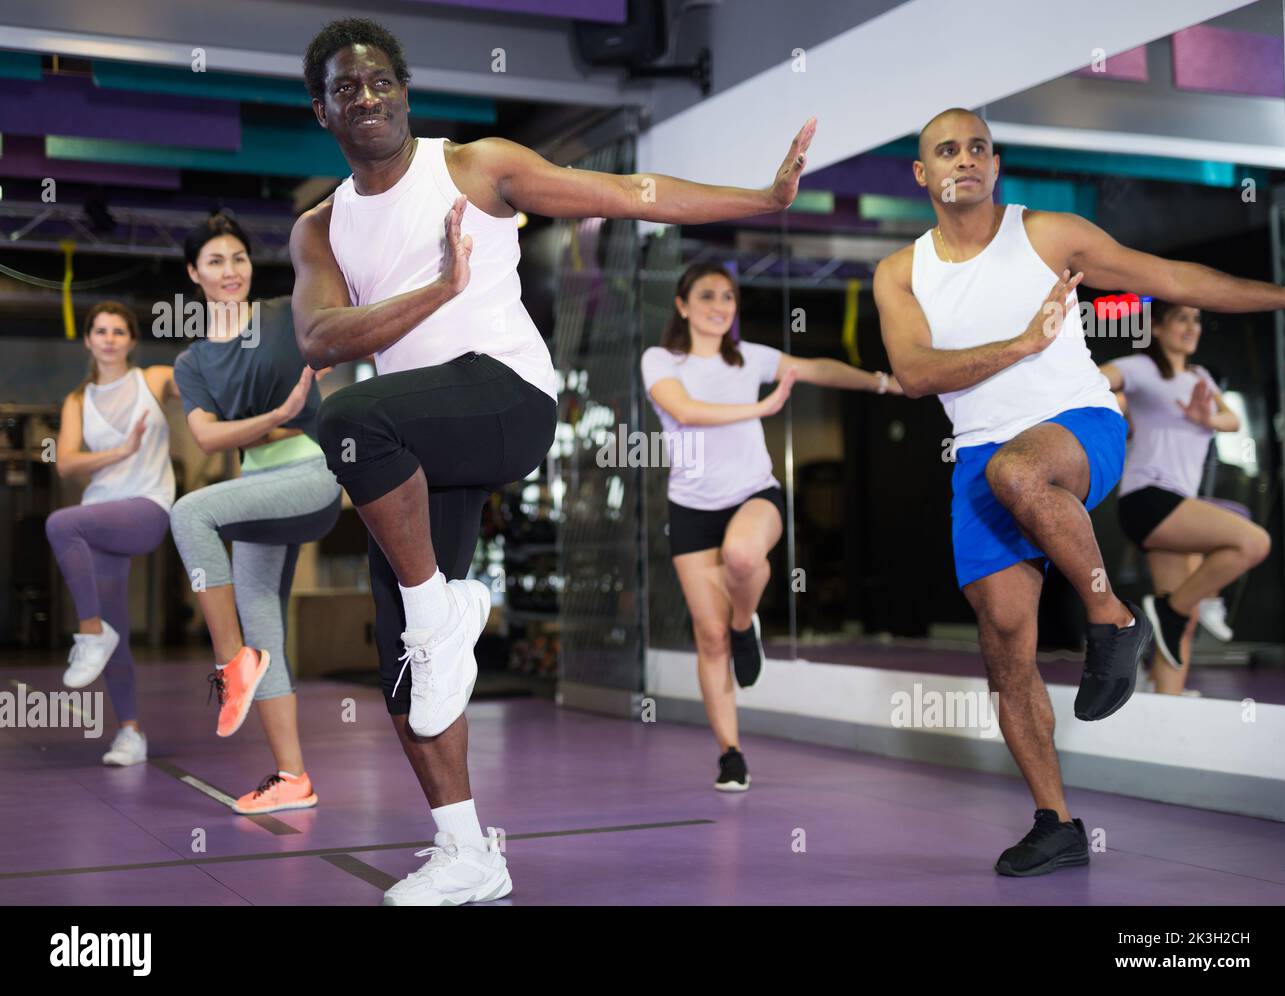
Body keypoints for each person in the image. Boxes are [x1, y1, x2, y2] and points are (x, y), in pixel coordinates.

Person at [290, 16, 815, 904]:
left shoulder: (475, 166)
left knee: (349, 422)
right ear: (322, 113)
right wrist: (437, 289)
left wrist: (760, 200)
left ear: (405, 92)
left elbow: (628, 191)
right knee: (406, 670)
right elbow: (317, 335)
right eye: (347, 88)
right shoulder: (321, 229)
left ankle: (438, 611)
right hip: (417, 437)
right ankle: (467, 852)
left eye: (380, 80)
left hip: (505, 399)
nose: (367, 96)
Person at [874, 107, 1285, 877]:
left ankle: (1114, 617)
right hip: (975, 452)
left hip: (1075, 425)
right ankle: (1057, 822)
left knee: (1020, 471)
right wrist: (1022, 343)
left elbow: (1172, 278)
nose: (964, 159)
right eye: (946, 151)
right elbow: (917, 373)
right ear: (921, 174)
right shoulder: (899, 273)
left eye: (977, 147)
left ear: (996, 164)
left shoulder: (1048, 234)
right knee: (1004, 645)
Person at [642, 262, 901, 791]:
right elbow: (685, 411)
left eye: (729, 297)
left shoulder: (751, 359)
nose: (720, 305)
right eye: (708, 295)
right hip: (691, 509)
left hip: (754, 494)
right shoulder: (660, 360)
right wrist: (761, 405)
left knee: (742, 556)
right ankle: (731, 753)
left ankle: (746, 624)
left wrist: (881, 382)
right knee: (708, 638)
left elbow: (817, 369)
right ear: (683, 305)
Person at [170, 214, 341, 815]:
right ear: (194, 274)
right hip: (258, 488)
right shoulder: (192, 363)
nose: (230, 270)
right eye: (215, 261)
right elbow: (209, 439)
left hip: (313, 475)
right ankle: (292, 777)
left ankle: (230, 663)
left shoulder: (280, 314)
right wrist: (278, 414)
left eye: (238, 257)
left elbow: (339, 312)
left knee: (189, 514)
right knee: (264, 622)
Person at [1100, 302, 1269, 695]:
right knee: (1253, 542)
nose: (1191, 327)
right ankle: (1170, 609)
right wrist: (1113, 406)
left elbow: (1233, 420)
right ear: (1157, 328)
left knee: (1182, 625)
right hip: (1149, 499)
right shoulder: (1142, 369)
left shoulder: (1200, 377)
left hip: (1175, 507)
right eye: (1181, 319)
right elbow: (1097, 379)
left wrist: (1204, 420)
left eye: (1196, 320)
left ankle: (1166, 702)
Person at [47, 301, 177, 766]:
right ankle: (130, 733)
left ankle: (88, 632)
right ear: (88, 340)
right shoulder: (77, 401)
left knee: (60, 523)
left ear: (131, 340)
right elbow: (65, 462)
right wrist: (121, 450)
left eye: (118, 331)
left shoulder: (155, 380)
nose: (109, 338)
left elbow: (206, 383)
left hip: (147, 507)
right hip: (99, 517)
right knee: (116, 626)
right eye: (100, 330)